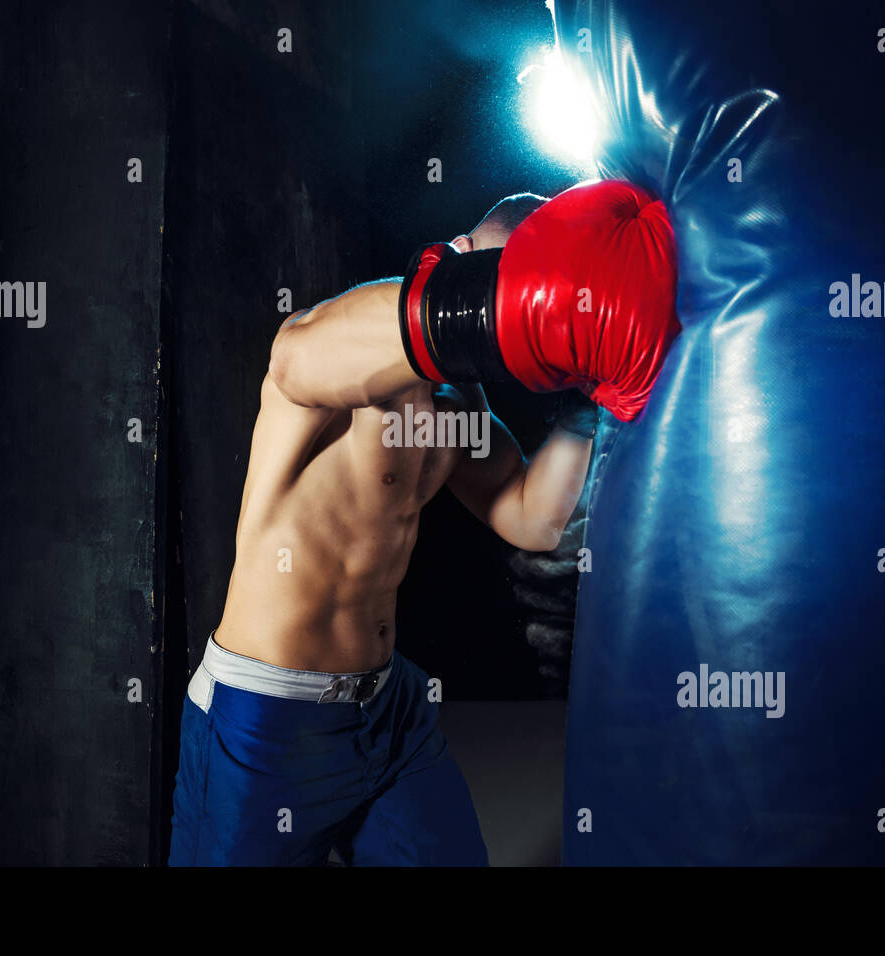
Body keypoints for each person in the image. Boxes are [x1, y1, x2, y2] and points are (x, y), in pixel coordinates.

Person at [168, 180, 679, 866]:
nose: (515, 323)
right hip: (269, 716)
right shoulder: (353, 345)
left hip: (388, 709)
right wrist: (475, 305)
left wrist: (594, 398)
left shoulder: (455, 396)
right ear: (461, 257)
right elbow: (294, 354)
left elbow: (529, 516)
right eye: (513, 288)